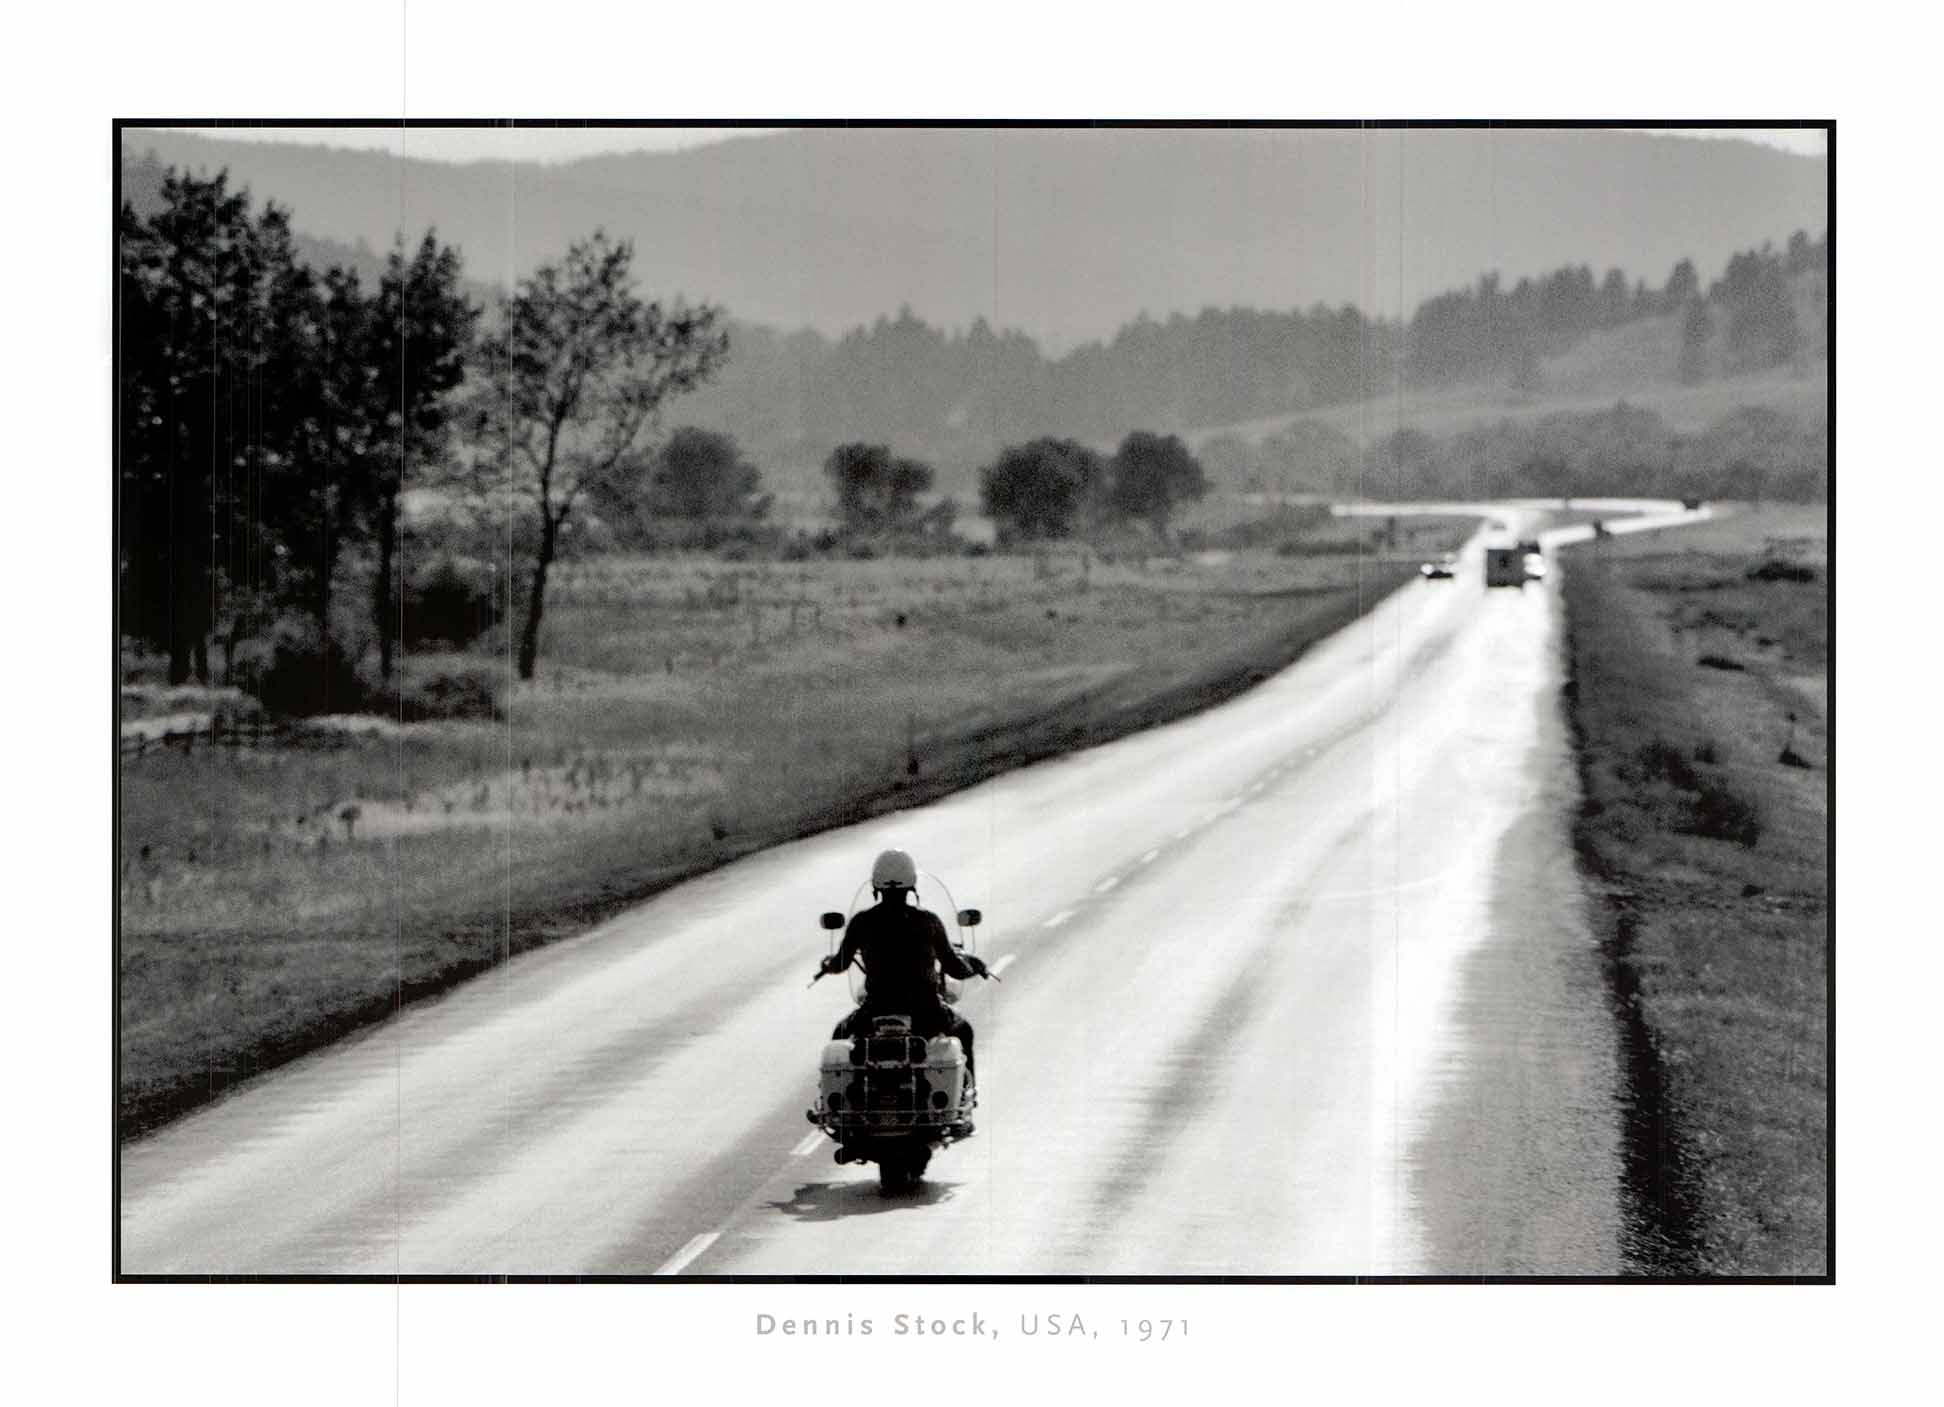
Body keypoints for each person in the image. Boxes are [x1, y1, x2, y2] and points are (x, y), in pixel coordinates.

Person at [820, 847, 988, 1089]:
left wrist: (827, 965)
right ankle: (966, 1093)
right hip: (926, 1010)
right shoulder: (927, 921)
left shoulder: (862, 922)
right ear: (911, 885)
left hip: (875, 1008)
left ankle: (851, 1092)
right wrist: (975, 966)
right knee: (964, 1031)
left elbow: (841, 963)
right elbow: (954, 968)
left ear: (876, 886)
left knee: (841, 1034)